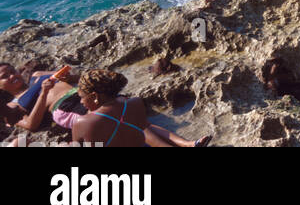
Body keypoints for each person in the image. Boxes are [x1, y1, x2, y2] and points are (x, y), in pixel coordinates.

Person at [1, 63, 210, 147]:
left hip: (84, 93)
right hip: (69, 107)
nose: (12, 76)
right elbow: (30, 125)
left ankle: (186, 144)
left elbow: (75, 79)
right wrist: (44, 92)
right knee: (129, 122)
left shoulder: (38, 75)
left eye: (12, 71)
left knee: (139, 121)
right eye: (4, 76)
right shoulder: (13, 104)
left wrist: (69, 75)